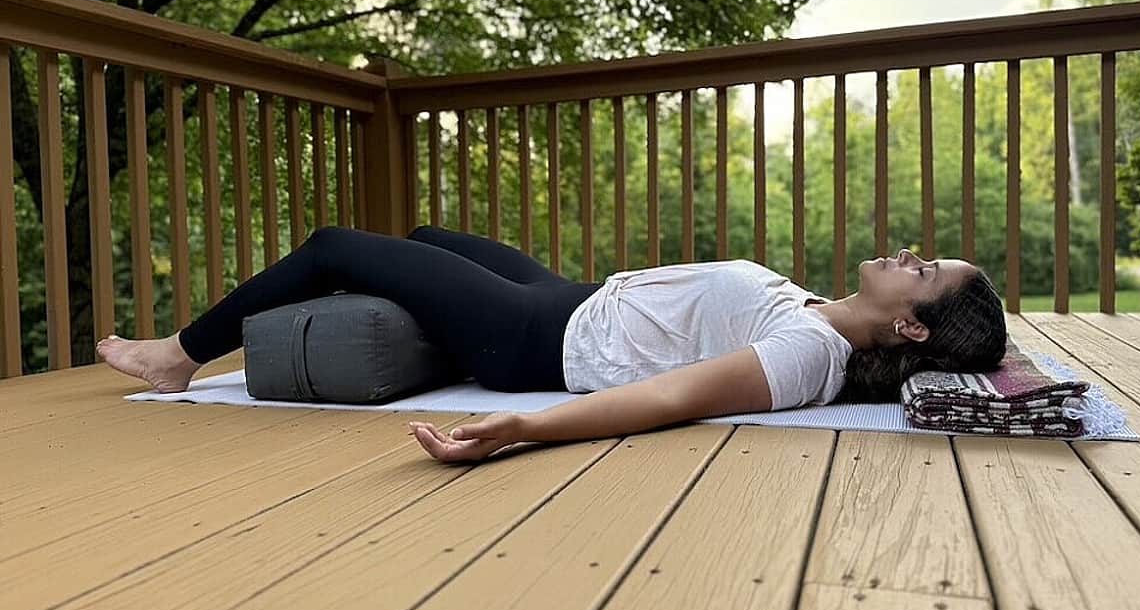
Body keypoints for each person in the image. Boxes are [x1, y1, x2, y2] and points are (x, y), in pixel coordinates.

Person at [97, 225, 1006, 464]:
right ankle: (397, 338)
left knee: (335, 245)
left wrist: (522, 427)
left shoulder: (808, 354)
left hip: (533, 340)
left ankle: (178, 356)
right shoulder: (820, 309)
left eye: (923, 271)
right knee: (425, 238)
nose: (908, 254)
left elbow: (667, 399)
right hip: (567, 299)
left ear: (910, 325)